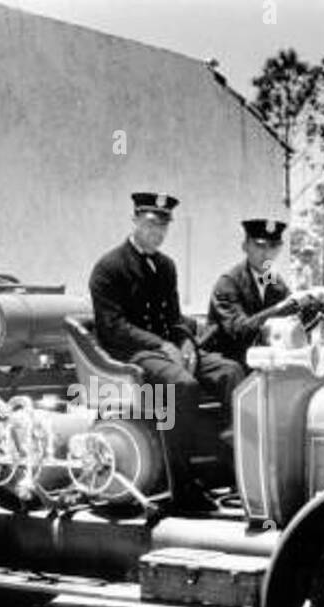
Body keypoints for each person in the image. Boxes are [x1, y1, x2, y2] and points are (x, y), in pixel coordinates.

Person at [89, 193, 243, 512]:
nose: (157, 233)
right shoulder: (109, 267)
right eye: (150, 224)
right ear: (135, 221)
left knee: (231, 373)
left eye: (163, 226)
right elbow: (113, 327)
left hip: (171, 349)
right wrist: (160, 345)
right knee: (181, 386)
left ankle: (235, 466)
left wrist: (186, 341)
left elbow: (175, 316)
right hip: (132, 354)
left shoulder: (165, 266)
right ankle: (182, 486)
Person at [203, 218, 316, 369]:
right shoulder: (229, 283)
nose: (267, 254)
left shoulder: (274, 282)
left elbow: (293, 317)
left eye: (274, 247)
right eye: (260, 246)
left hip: (259, 358)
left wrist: (312, 306)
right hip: (225, 360)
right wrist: (282, 308)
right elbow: (240, 332)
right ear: (245, 246)